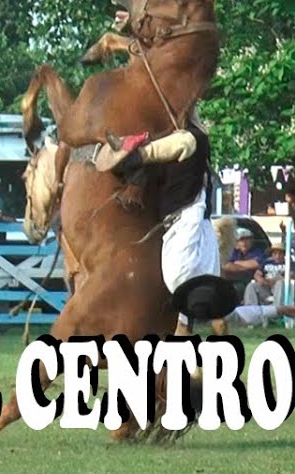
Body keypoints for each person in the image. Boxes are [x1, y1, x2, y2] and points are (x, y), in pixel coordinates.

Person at [94, 122, 229, 335]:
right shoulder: (189, 144)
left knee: (178, 282)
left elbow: (154, 153)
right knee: (203, 304)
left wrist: (129, 153)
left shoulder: (191, 139)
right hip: (197, 224)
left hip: (187, 222)